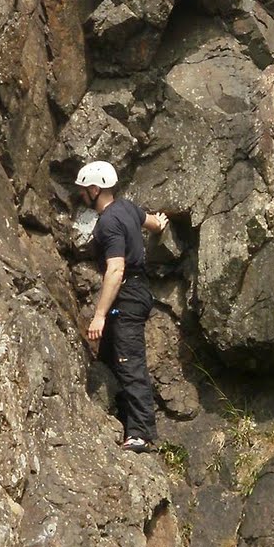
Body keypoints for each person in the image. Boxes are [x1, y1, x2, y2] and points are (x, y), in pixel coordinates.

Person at [75, 160, 168, 452]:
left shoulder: (108, 223)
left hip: (126, 296)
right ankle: (119, 418)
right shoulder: (127, 208)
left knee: (129, 361)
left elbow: (116, 270)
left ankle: (140, 433)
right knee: (110, 356)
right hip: (138, 291)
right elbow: (153, 222)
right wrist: (160, 223)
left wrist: (99, 315)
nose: (80, 194)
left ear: (94, 189)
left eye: (83, 190)